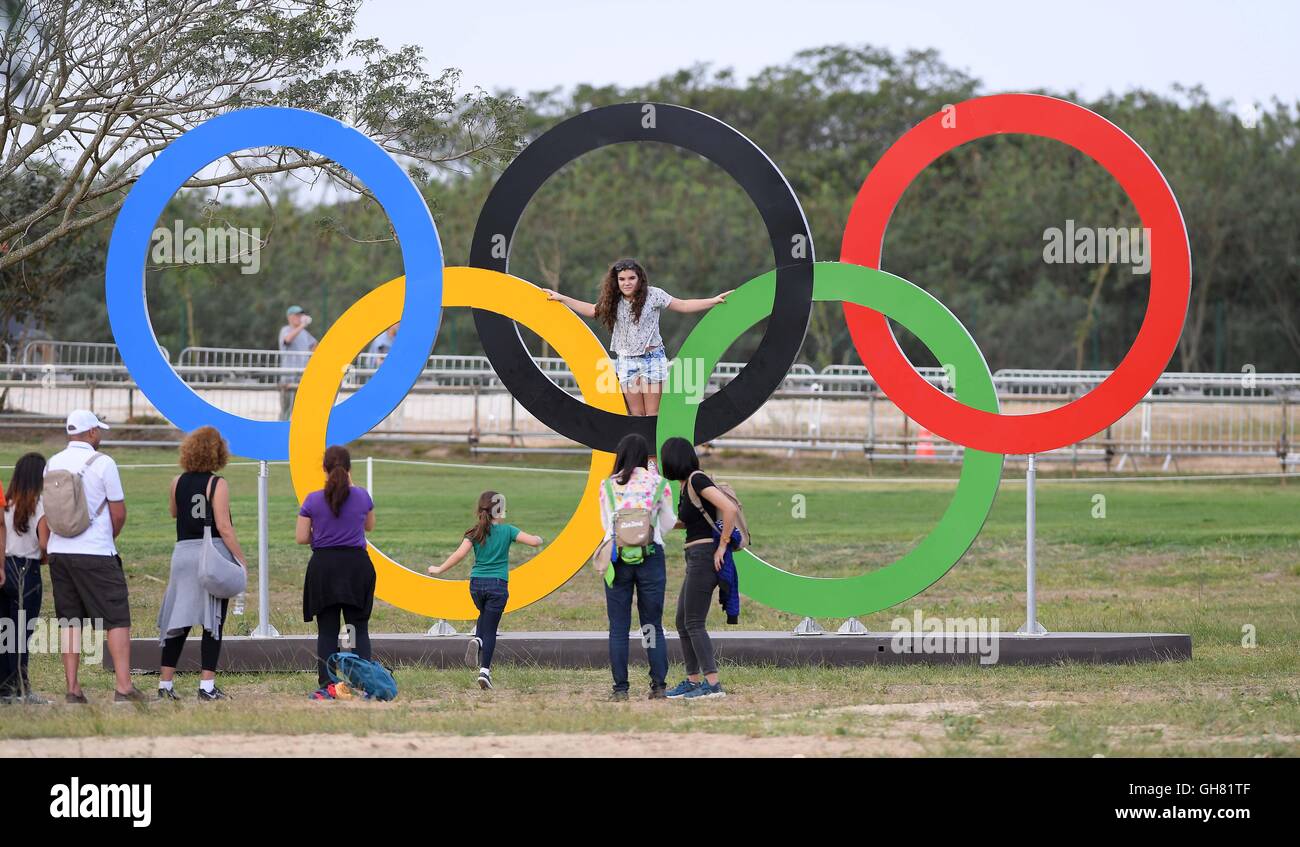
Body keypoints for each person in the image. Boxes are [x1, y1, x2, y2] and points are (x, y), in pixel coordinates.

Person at [543, 258, 732, 416]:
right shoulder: (613, 300)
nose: (627, 282)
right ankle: (638, 460)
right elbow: (592, 310)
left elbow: (682, 305)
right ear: (616, 281)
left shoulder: (654, 295)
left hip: (652, 360)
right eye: (622, 279)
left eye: (631, 278)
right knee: (636, 416)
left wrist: (713, 301)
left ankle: (652, 461)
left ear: (639, 279)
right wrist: (562, 298)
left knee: (652, 415)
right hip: (626, 362)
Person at [44, 410, 146, 703]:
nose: (99, 435)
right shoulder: (103, 463)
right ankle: (124, 687)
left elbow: (45, 513)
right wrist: (106, 537)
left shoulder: (52, 463)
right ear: (91, 433)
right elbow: (118, 512)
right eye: (97, 430)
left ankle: (73, 688)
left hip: (59, 551)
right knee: (116, 618)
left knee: (70, 620)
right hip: (96, 551)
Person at [156, 426, 248, 702]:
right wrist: (241, 559)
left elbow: (175, 512)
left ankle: (165, 683)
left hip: (182, 553)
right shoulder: (217, 484)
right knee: (213, 620)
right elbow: (224, 526)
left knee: (179, 620)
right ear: (217, 452)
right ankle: (206, 685)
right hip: (210, 553)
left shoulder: (177, 482)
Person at [427, 491, 544, 690]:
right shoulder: (508, 530)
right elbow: (534, 542)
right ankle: (484, 672)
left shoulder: (474, 532)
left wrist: (438, 569)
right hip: (497, 585)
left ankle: (478, 640)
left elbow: (458, 555)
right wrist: (538, 538)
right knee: (490, 629)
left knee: (484, 615)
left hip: (476, 585)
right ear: (500, 510)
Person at [659, 436, 738, 699]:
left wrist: (723, 545)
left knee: (693, 621)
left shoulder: (696, 479)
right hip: (694, 555)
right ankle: (693, 681)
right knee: (682, 621)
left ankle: (712, 683)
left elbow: (729, 508)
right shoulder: (685, 487)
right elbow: (689, 522)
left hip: (705, 555)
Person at [598, 433, 675, 701]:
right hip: (651, 555)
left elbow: (605, 525)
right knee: (651, 623)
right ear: (645, 457)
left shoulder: (607, 486)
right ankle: (659, 685)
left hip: (617, 557)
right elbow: (668, 522)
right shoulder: (658, 484)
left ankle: (620, 689)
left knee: (618, 626)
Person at [296, 445, 376, 700]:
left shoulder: (312, 499)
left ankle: (328, 685)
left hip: (324, 567)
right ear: (349, 469)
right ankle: (363, 683)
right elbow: (369, 526)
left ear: (324, 469)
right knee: (357, 628)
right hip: (356, 567)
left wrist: (320, 535)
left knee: (328, 631)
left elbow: (300, 537)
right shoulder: (362, 496)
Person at [2, 452, 50, 704]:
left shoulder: (6, 502)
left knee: (4, 631)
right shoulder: (39, 504)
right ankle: (21, 687)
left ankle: (4, 688)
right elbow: (44, 543)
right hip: (26, 571)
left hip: (4, 566)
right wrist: (46, 556)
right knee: (22, 633)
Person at [278, 305, 318, 420]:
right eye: (297, 315)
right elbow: (287, 340)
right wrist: (302, 326)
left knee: (300, 410)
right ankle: (282, 433)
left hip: (302, 378)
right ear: (289, 317)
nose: (299, 317)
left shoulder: (304, 333)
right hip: (288, 379)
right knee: (286, 410)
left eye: (300, 315)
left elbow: (315, 346)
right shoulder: (285, 330)